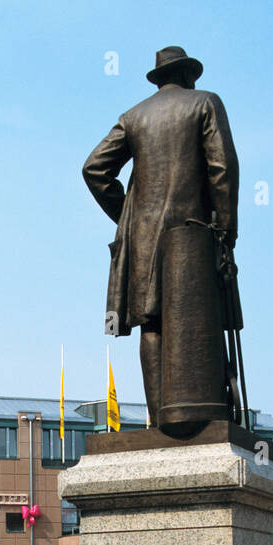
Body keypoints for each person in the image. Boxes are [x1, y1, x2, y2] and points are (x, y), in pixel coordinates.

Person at [83, 46, 239, 433]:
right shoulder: (205, 103)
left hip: (145, 243)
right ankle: (203, 410)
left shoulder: (134, 116)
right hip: (194, 236)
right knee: (205, 319)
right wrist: (227, 226)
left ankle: (160, 420)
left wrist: (129, 219)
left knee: (151, 323)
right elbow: (223, 167)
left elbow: (94, 169)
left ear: (159, 79)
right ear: (188, 77)